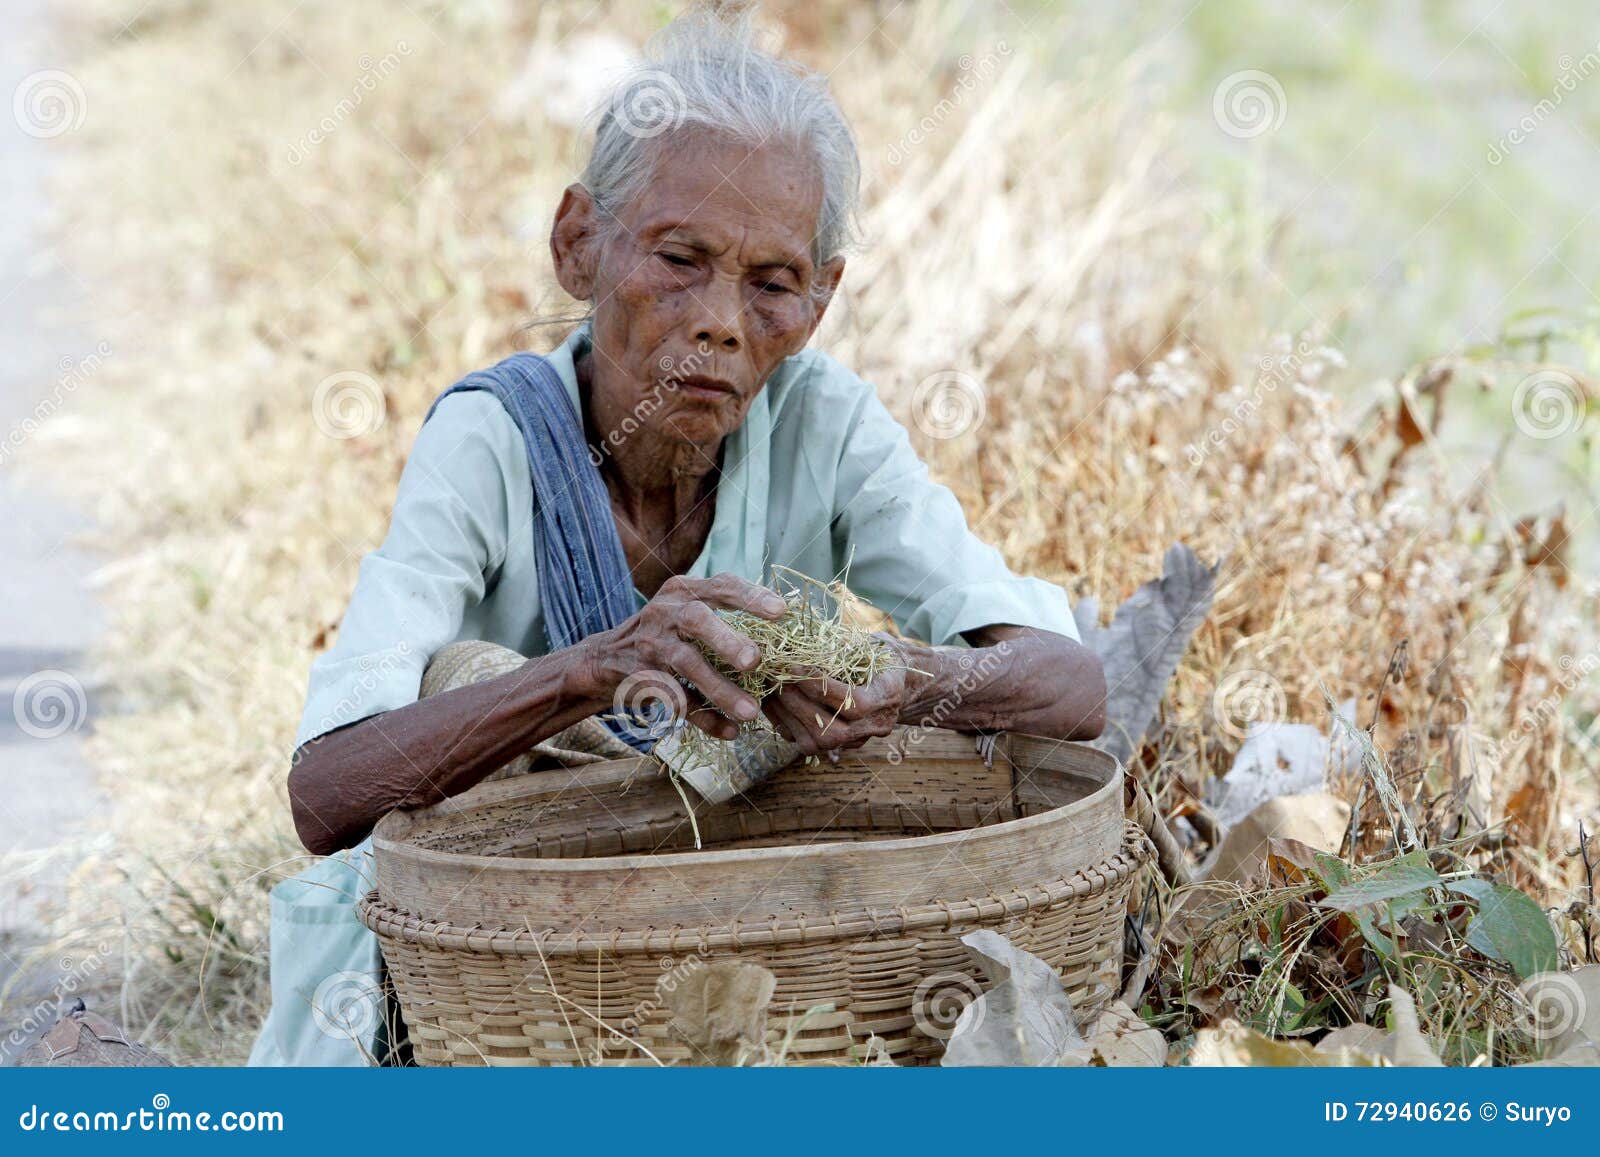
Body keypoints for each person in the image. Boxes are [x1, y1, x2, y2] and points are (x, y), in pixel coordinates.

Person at [249, 8, 1104, 1066]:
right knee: (465, 673)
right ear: (579, 244)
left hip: (727, 954)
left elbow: (1071, 684)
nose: (720, 321)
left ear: (820, 301)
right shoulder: (492, 440)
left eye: (772, 283)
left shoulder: (822, 424)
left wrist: (902, 677)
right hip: (499, 980)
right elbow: (327, 790)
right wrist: (593, 673)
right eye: (679, 257)